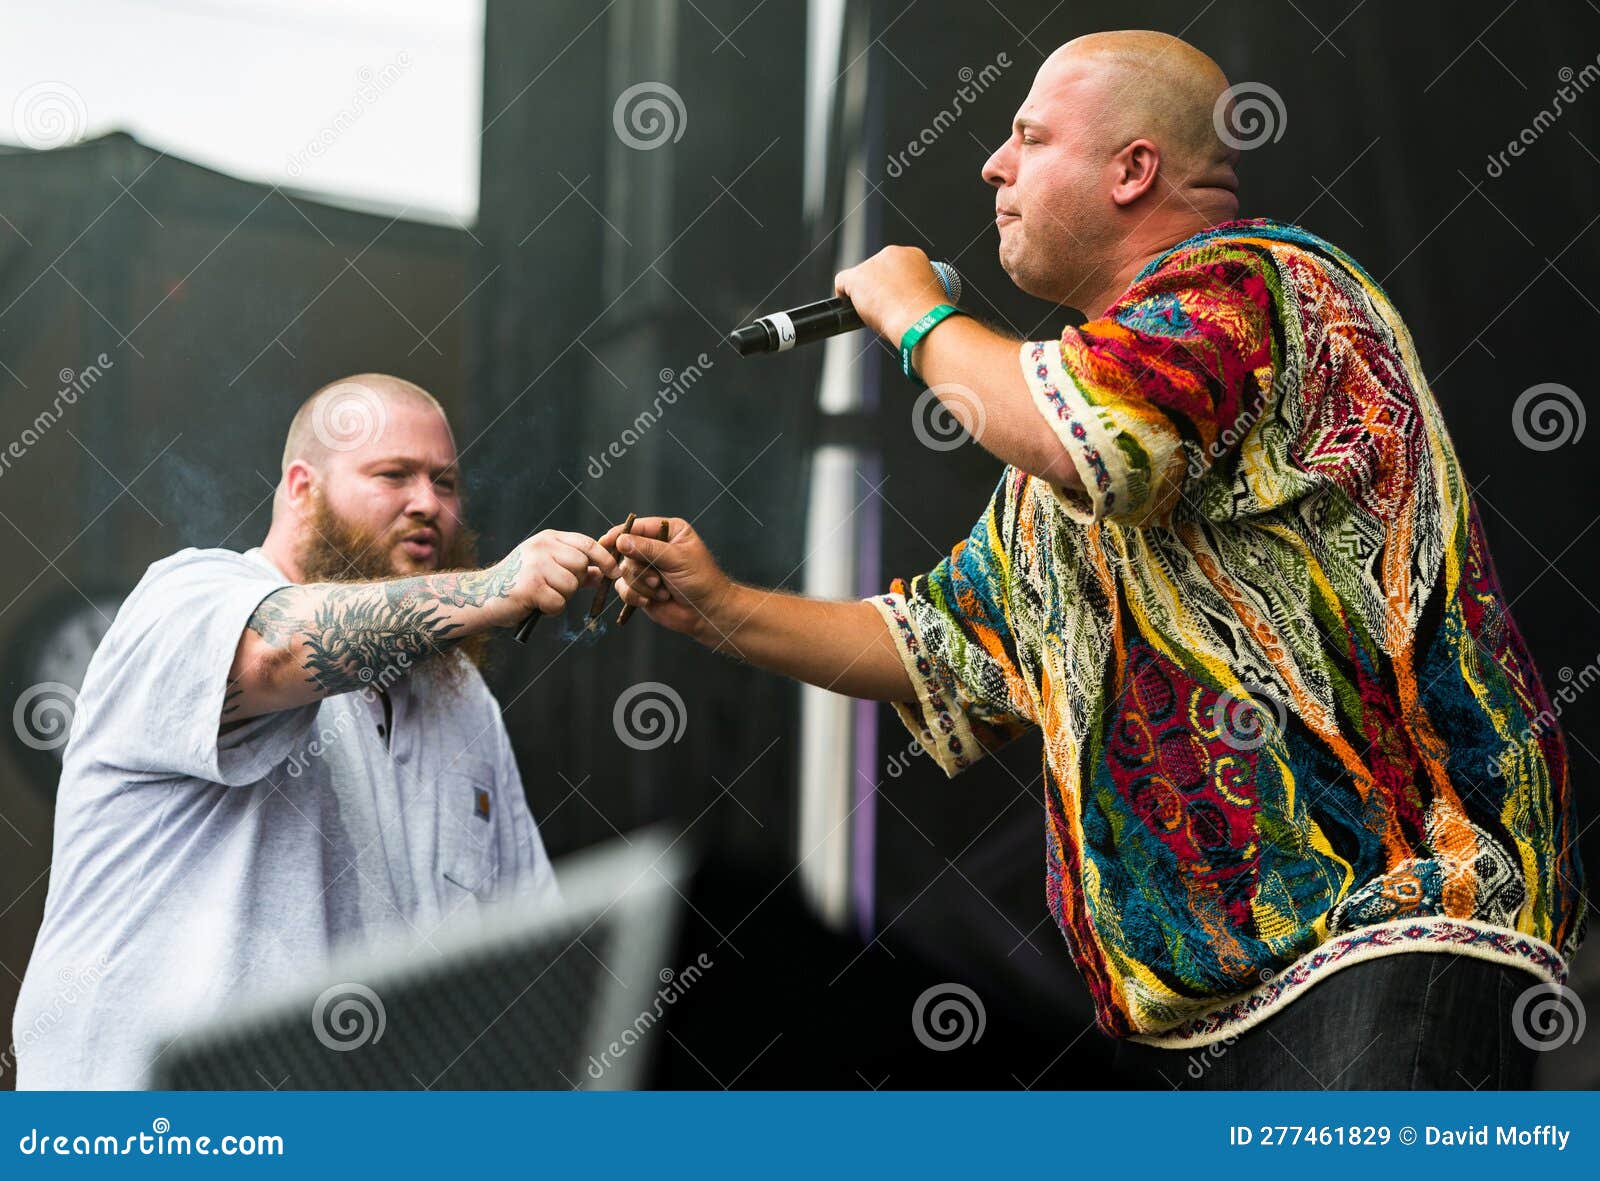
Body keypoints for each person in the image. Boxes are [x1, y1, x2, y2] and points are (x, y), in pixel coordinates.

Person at [607, 31, 1588, 1088]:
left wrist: (915, 314)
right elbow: (945, 647)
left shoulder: (1256, 288)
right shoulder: (1054, 470)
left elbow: (1106, 434)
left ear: (1133, 169)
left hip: (1392, 933)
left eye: (1028, 137)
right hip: (1198, 1009)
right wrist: (717, 607)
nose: (992, 165)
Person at [12, 374, 619, 1089]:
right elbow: (272, 652)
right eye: (393, 475)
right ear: (301, 488)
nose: (427, 503)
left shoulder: (464, 704)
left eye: (445, 482)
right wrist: (493, 589)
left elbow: (527, 964)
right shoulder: (184, 598)